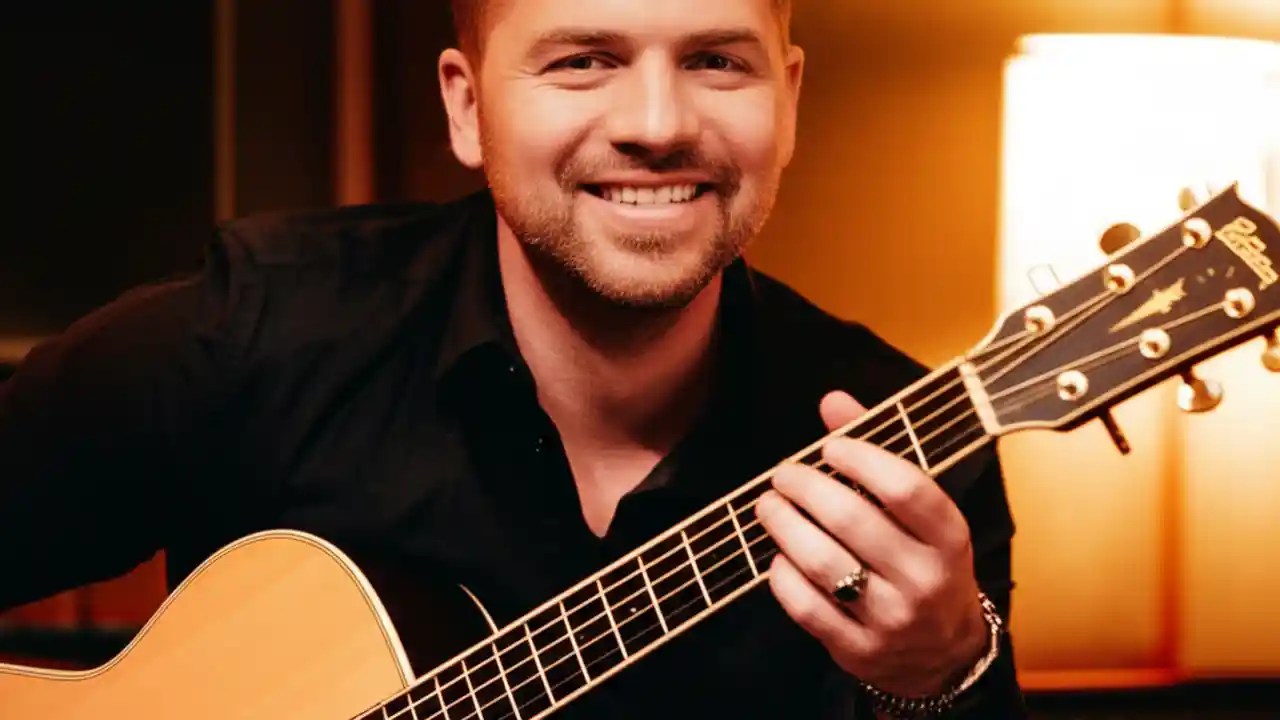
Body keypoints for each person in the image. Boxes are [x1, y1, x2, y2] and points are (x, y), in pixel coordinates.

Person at [0, 1, 1027, 717]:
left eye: (716, 60)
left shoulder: (905, 456)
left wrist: (941, 675)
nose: (656, 126)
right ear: (465, 104)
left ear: (787, 98)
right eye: (582, 59)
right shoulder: (260, 337)